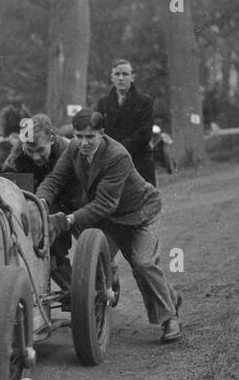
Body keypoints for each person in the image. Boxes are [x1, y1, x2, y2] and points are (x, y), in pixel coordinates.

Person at [37, 109, 182, 344]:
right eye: (79, 136)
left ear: (101, 134)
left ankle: (170, 318)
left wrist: (68, 220)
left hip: (140, 213)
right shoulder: (73, 149)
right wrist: (40, 202)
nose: (84, 142)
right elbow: (55, 179)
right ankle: (104, 308)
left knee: (143, 263)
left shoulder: (117, 156)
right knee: (93, 261)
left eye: (90, 137)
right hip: (112, 218)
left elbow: (105, 203)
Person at [95, 60, 157, 186]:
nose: (121, 78)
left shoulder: (145, 102)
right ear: (112, 78)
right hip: (111, 161)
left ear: (132, 77)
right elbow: (99, 131)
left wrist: (121, 149)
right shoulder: (103, 103)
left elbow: (145, 133)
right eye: (117, 74)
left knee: (143, 195)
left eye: (125, 74)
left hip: (139, 161)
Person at [2, 114, 65, 182]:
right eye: (30, 151)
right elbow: (8, 180)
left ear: (52, 140)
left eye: (41, 150)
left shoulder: (66, 151)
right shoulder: (18, 152)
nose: (36, 157)